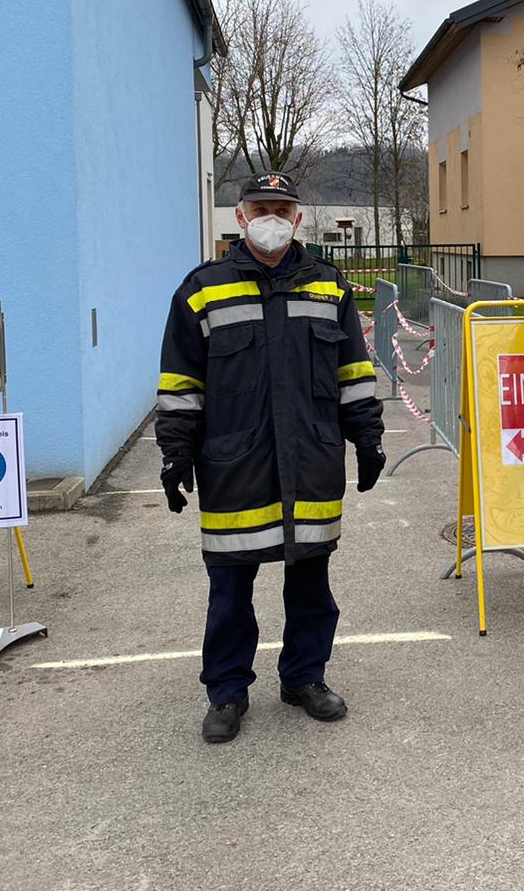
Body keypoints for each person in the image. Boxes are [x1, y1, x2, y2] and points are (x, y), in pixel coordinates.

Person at [155, 172, 386, 744]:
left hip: (310, 460)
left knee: (311, 580)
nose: (273, 218)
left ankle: (304, 678)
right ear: (239, 217)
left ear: (299, 218)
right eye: (262, 207)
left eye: (283, 209)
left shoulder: (330, 288)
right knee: (230, 587)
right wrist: (175, 454)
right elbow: (181, 381)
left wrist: (369, 438)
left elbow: (354, 375)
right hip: (235, 465)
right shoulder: (202, 289)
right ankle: (227, 691)